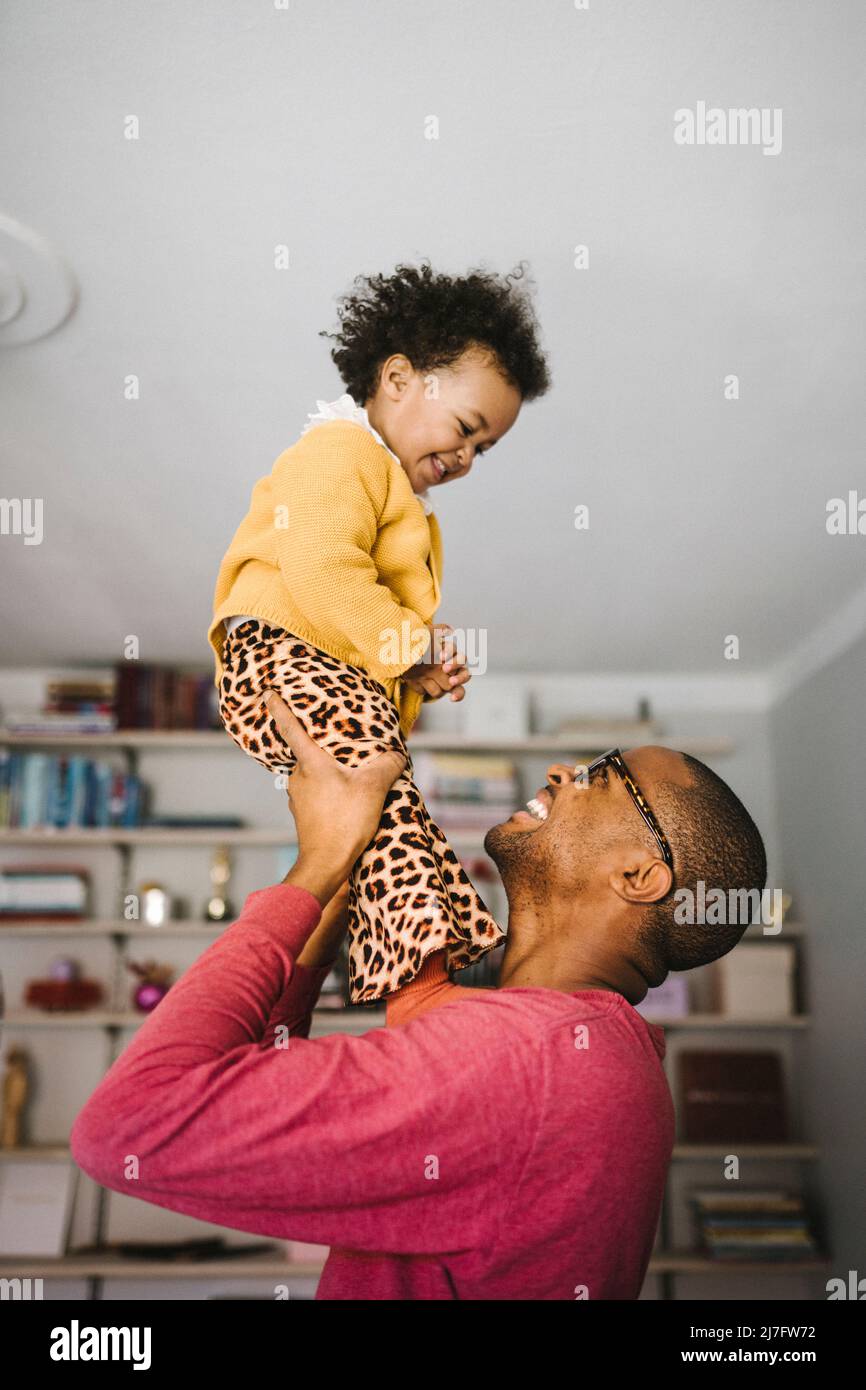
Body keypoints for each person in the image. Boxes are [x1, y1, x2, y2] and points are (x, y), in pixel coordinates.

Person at [70, 693, 767, 1301]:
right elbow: (262, 1060)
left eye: (603, 774)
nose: (562, 772)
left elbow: (129, 1126)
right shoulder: (588, 1048)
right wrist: (342, 861)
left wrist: (313, 866)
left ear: (640, 875)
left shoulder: (531, 1058)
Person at [207, 259, 552, 1004]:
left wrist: (413, 662)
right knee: (386, 812)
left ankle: (302, 994)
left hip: (322, 668)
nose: (466, 457)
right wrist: (412, 645)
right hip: (285, 657)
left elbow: (361, 603)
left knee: (373, 826)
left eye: (482, 449)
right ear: (398, 379)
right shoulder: (341, 452)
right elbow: (323, 569)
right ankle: (424, 991)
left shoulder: (390, 486)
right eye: (466, 428)